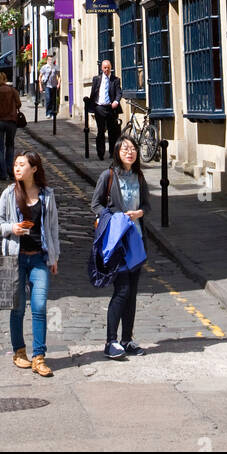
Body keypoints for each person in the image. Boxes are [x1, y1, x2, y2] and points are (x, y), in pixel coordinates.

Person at [0, 151, 59, 378]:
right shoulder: (9, 193)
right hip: (16, 258)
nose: (17, 168)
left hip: (39, 257)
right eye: (16, 165)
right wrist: (13, 228)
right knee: (18, 308)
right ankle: (19, 352)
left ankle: (39, 357)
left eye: (22, 165)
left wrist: (54, 257)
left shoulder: (47, 195)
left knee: (39, 306)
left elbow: (53, 229)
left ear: (34, 169)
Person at [92, 136, 151, 360]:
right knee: (122, 289)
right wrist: (114, 217)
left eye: (133, 148)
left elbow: (146, 204)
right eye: (125, 148)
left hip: (136, 239)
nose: (130, 152)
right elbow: (95, 204)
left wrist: (139, 213)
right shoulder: (108, 176)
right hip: (117, 241)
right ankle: (111, 341)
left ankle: (127, 340)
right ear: (117, 151)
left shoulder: (139, 176)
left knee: (133, 293)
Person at [91, 59, 122, 160]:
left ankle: (112, 153)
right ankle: (100, 153)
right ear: (101, 68)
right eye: (104, 68)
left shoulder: (115, 80)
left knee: (112, 132)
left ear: (111, 68)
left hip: (110, 108)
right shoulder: (96, 79)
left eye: (108, 68)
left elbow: (119, 93)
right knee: (100, 131)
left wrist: (116, 102)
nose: (106, 70)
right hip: (99, 108)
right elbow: (93, 93)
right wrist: (92, 106)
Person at [38, 51, 61, 118]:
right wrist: (40, 87)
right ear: (47, 60)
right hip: (47, 85)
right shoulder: (44, 67)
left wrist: (58, 84)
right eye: (50, 59)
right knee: (48, 99)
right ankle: (48, 113)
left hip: (54, 85)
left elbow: (59, 76)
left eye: (52, 59)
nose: (51, 61)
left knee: (53, 100)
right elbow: (40, 77)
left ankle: (53, 113)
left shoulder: (56, 67)